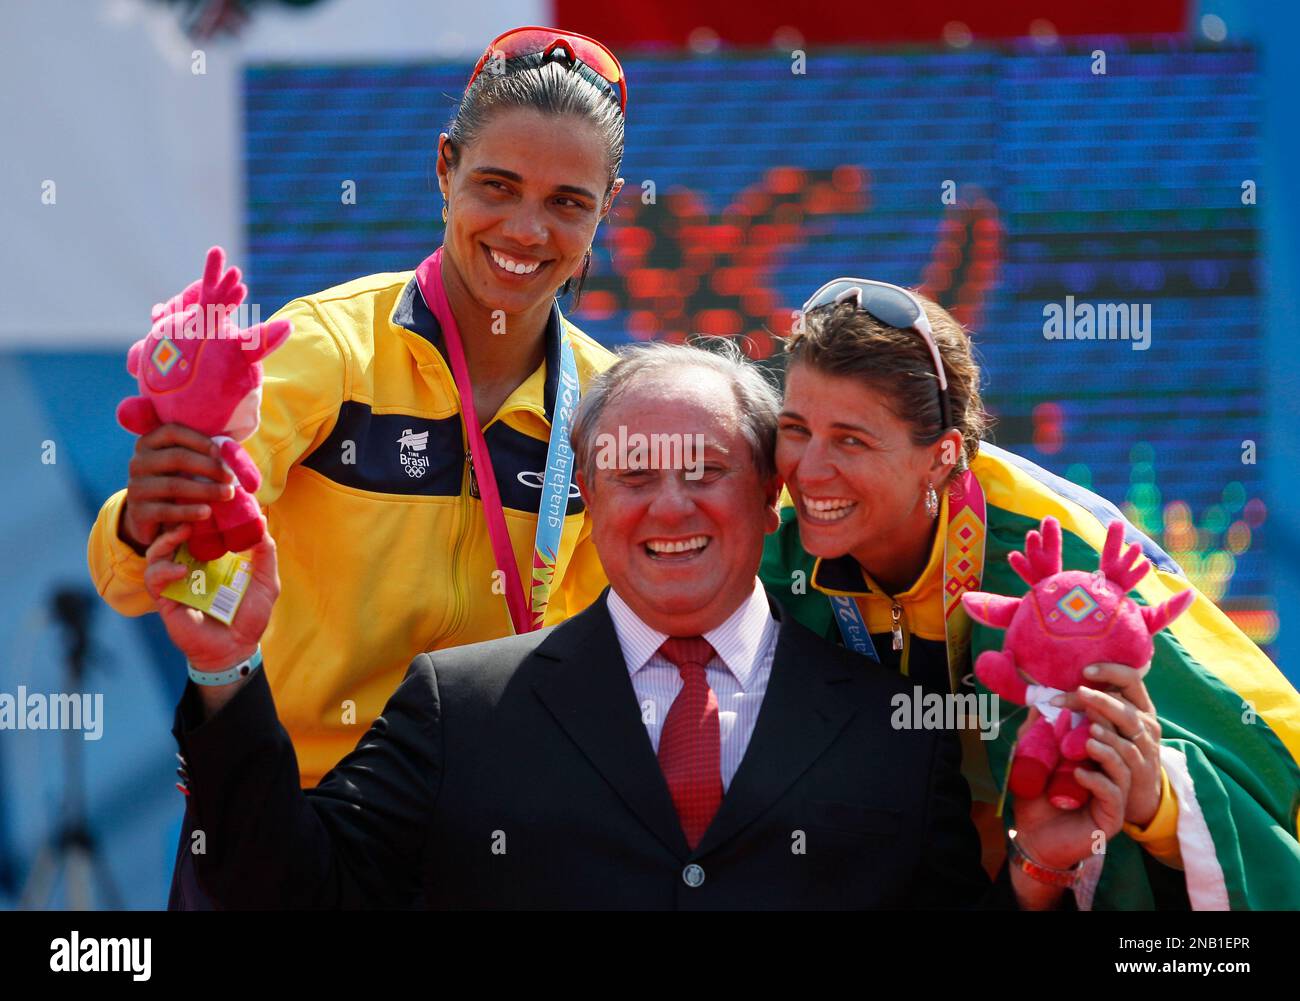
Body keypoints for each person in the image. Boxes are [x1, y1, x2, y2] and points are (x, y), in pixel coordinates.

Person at [141, 343, 1134, 909]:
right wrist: (231, 671)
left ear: (766, 495)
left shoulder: (891, 725)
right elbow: (284, 894)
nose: (671, 507)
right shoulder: (459, 704)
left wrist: (1041, 863)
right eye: (632, 473)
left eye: (705, 471)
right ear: (584, 495)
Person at [86, 27, 630, 791]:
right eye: (497, 186)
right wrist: (154, 524)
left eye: (567, 202)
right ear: (445, 169)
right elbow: (141, 578)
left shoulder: (611, 407)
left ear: (607, 206)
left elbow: (621, 646)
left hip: (498, 823)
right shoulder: (329, 348)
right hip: (301, 804)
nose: (526, 230)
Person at [759, 277, 1300, 909]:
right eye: (796, 428)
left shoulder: (1055, 567)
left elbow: (1247, 761)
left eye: (851, 440)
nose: (809, 469)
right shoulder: (774, 539)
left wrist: (1154, 802)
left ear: (942, 456)